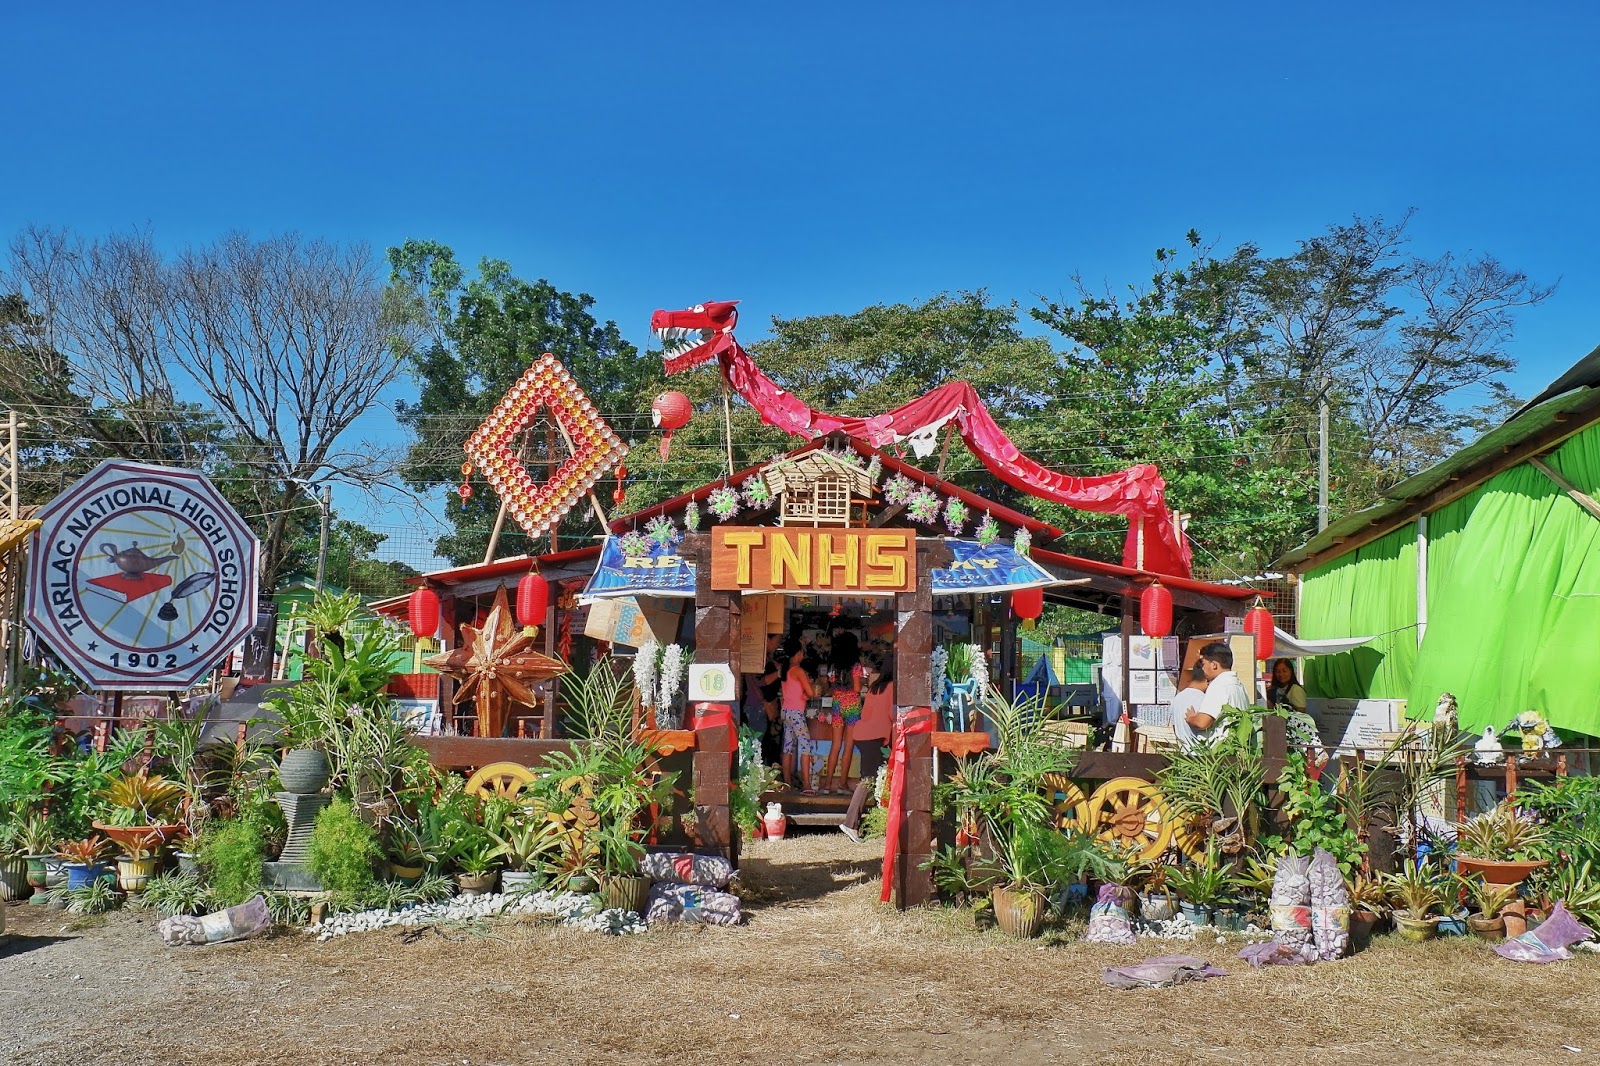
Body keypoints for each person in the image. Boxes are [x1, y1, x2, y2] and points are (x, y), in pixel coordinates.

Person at [841, 659, 894, 843]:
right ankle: (851, 823)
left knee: (871, 777)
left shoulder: (874, 687)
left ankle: (857, 822)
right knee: (869, 779)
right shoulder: (893, 687)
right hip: (877, 736)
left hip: (863, 734)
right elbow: (892, 715)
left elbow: (866, 713)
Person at [1180, 641, 1252, 748]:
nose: (1203, 668)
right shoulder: (1239, 685)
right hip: (1238, 748)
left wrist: (1191, 718)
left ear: (1214, 665)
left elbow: (1202, 722)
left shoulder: (1219, 685)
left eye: (1203, 664)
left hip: (1221, 752)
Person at [821, 630, 864, 795]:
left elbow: (829, 687)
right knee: (849, 746)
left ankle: (827, 785)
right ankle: (843, 784)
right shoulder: (856, 666)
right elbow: (858, 688)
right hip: (852, 705)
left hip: (837, 704)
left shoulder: (834, 666)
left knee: (835, 745)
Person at [779, 640, 817, 792]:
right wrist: (806, 694)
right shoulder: (798, 671)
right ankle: (807, 784)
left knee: (787, 747)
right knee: (805, 746)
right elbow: (811, 692)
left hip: (786, 711)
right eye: (801, 652)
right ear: (797, 654)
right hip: (796, 713)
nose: (802, 654)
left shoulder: (784, 669)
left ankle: (787, 783)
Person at [1168, 662, 1209, 748]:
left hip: (1184, 754)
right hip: (1203, 756)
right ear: (1207, 678)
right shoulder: (1204, 699)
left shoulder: (1177, 699)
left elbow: (1174, 728)